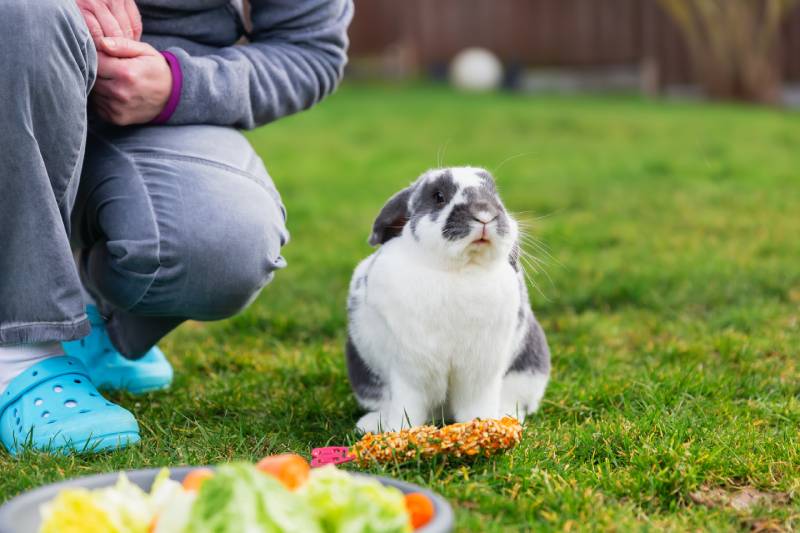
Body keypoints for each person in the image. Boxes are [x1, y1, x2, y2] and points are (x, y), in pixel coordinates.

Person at [0, 0, 353, 455]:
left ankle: (92, 320)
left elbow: (310, 52)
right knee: (26, 15)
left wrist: (176, 85)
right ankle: (20, 350)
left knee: (226, 240)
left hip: (144, 106)